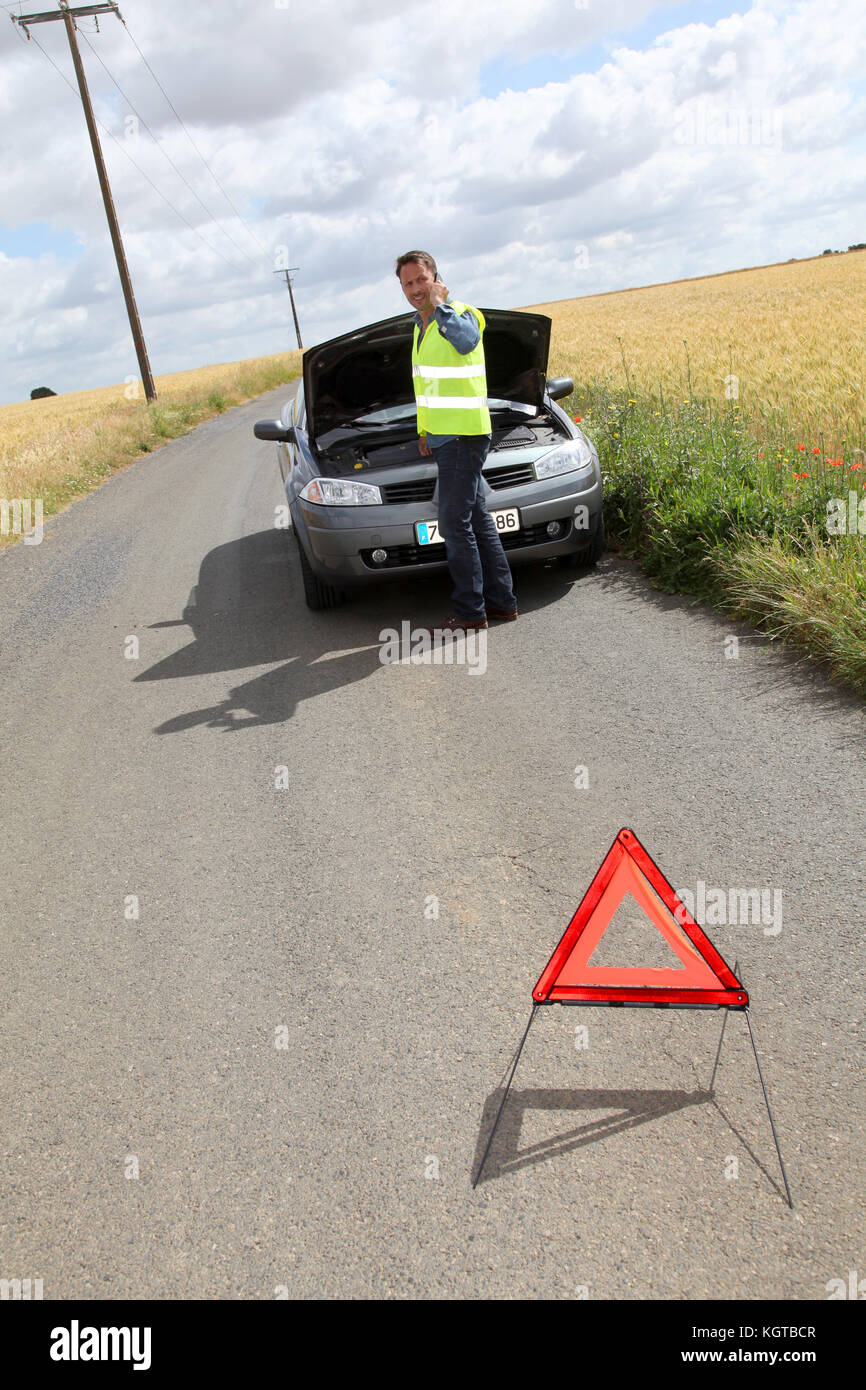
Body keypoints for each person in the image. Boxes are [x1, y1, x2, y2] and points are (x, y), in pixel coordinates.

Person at [395, 250, 518, 634]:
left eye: (421, 279)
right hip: (444, 436)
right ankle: (501, 604)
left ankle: (470, 612)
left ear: (436, 277)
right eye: (408, 283)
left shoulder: (460, 313)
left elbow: (465, 343)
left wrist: (442, 306)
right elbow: (426, 385)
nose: (416, 289)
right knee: (478, 520)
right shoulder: (420, 326)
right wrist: (423, 430)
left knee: (452, 523)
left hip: (465, 433)